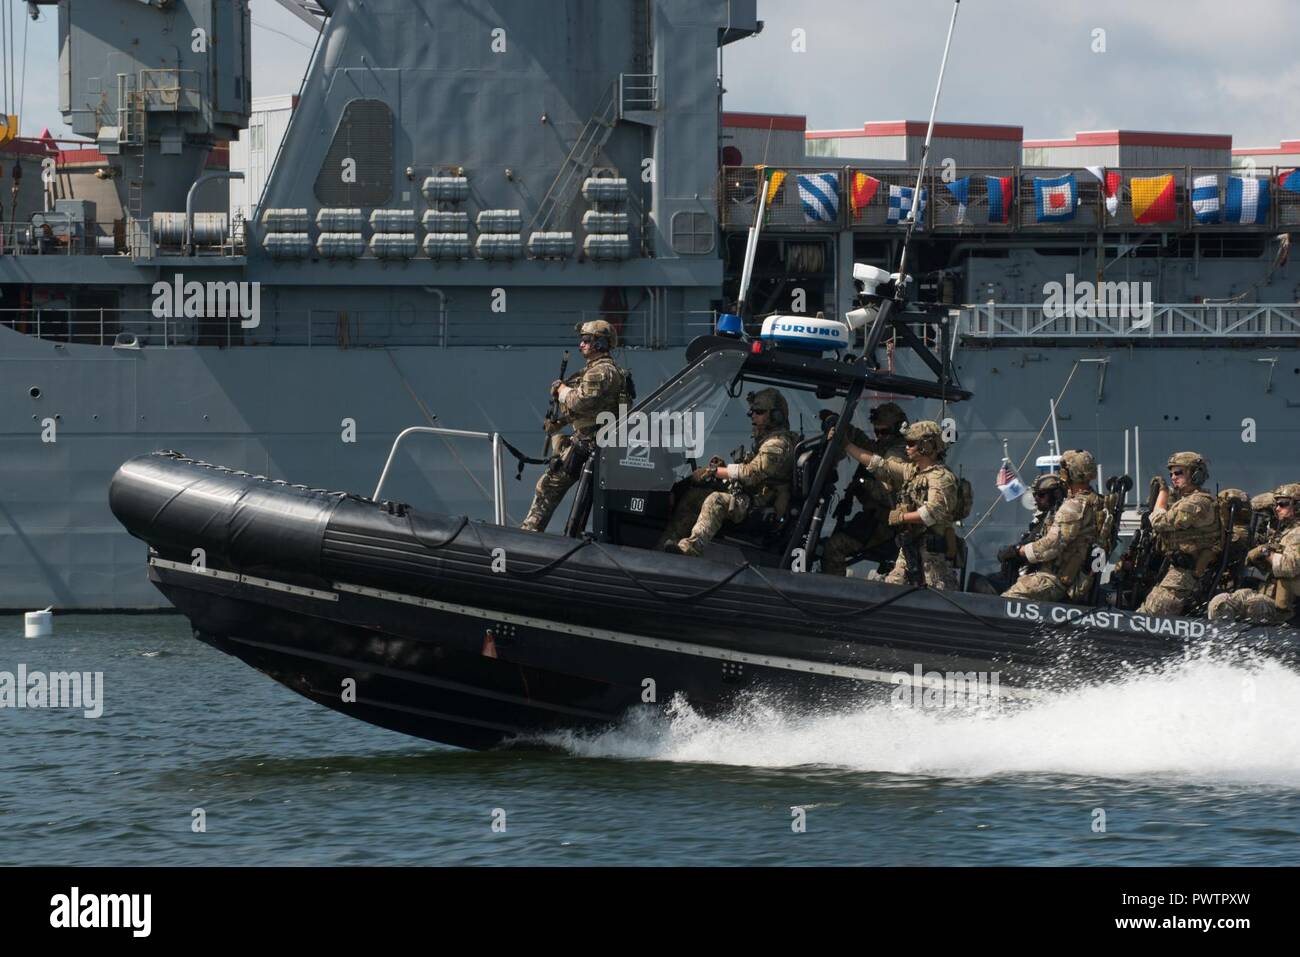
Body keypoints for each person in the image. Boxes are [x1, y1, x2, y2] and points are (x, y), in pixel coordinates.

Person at [658, 388, 797, 556]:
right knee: (695, 496)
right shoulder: (767, 441)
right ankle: (662, 550)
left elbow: (750, 475)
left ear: (776, 416)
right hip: (750, 498)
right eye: (751, 412)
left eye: (759, 412)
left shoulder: (777, 445)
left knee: (716, 500)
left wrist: (716, 471)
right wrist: (723, 469)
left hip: (762, 506)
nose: (753, 417)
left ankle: (691, 549)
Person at [519, 319, 626, 532]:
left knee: (549, 486)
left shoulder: (600, 372)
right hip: (596, 442)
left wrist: (562, 391)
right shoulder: (605, 371)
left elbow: (580, 401)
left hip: (589, 444)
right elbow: (593, 409)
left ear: (600, 344)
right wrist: (559, 423)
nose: (581, 345)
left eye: (586, 340)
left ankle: (529, 533)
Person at [840, 420, 959, 589]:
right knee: (892, 588)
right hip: (910, 546)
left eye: (911, 443)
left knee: (937, 597)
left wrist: (901, 517)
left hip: (932, 558)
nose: (907, 447)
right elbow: (881, 466)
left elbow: (931, 513)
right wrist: (846, 445)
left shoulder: (941, 478)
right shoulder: (912, 471)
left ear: (927, 446)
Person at [820, 402, 908, 576]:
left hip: (887, 526)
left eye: (884, 432)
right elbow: (863, 442)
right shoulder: (885, 447)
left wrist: (863, 485)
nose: (880, 436)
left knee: (834, 548)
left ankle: (836, 595)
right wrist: (837, 423)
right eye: (877, 432)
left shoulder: (899, 455)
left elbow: (893, 497)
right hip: (873, 520)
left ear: (898, 430)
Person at [1002, 450, 1102, 602]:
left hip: (1054, 579)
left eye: (1064, 469)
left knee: (1007, 600)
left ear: (1071, 473)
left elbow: (1052, 546)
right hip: (1077, 578)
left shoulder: (1074, 506)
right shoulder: (1098, 503)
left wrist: (1019, 551)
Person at [1136, 452, 1221, 616]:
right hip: (1176, 568)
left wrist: (1162, 493)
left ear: (1195, 474)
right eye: (1171, 474)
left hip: (1187, 573)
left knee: (1151, 615)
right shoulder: (1184, 500)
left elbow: (1160, 521)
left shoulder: (1199, 502)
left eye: (1179, 473)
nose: (1173, 477)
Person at [1208, 484, 1300, 625]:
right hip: (1268, 596)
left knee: (1245, 604)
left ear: (1297, 506)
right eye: (1276, 504)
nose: (1277, 508)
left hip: (1285, 610)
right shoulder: (1283, 533)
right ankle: (1219, 642)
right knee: (1220, 602)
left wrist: (1264, 551)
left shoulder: (1297, 534)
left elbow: (1290, 566)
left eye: (1283, 504)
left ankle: (1224, 643)